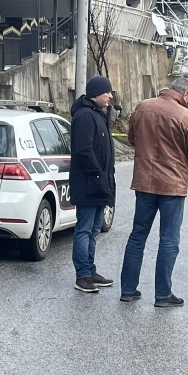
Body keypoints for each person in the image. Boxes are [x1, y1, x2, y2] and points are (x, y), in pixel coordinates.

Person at [120, 76, 188, 307]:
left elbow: (131, 139)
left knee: (138, 235)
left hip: (144, 181)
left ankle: (128, 289)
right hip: (173, 185)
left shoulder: (142, 107)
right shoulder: (186, 116)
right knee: (168, 239)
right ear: (185, 95)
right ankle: (163, 294)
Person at [69, 75, 117, 293]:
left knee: (95, 228)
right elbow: (84, 149)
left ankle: (90, 270)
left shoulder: (97, 113)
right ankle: (82, 276)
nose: (110, 96)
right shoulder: (85, 115)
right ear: (96, 92)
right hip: (89, 183)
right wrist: (97, 174)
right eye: (107, 92)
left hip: (99, 183)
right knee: (84, 229)